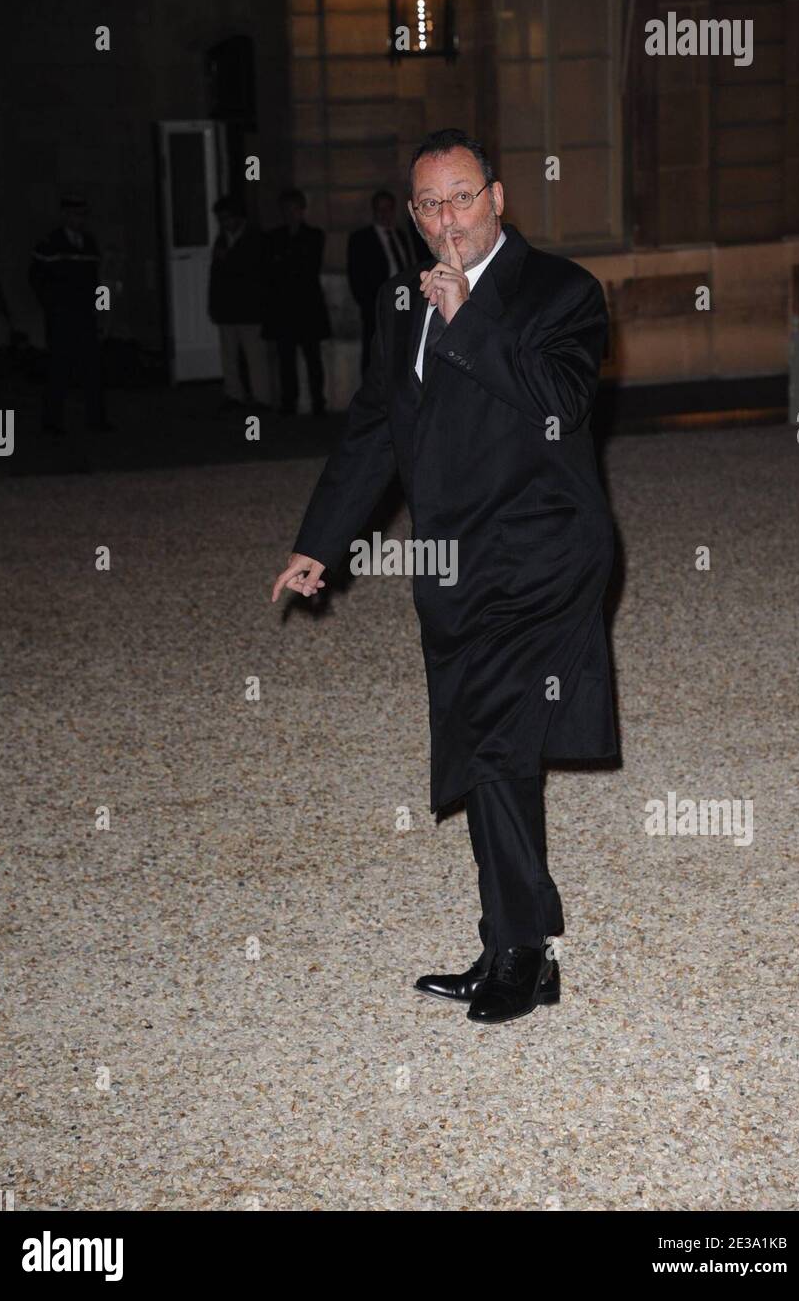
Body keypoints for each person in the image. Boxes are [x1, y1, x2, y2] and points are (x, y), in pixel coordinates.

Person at [271, 128, 617, 1026]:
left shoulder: (559, 291)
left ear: (497, 198)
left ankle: (517, 951)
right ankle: (522, 941)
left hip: (541, 556)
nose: (445, 220)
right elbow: (375, 432)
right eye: (428, 205)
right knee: (482, 746)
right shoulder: (398, 301)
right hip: (451, 563)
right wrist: (322, 542)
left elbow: (561, 400)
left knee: (496, 742)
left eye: (461, 198)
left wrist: (470, 317)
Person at [29, 196, 110, 434]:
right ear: (65, 215)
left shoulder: (89, 243)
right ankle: (52, 421)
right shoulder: (49, 243)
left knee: (92, 369)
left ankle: (96, 419)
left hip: (85, 315)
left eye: (84, 215)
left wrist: (101, 310)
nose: (80, 220)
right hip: (61, 315)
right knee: (58, 367)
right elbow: (36, 278)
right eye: (76, 214)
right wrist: (51, 305)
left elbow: (99, 281)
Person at [265, 188, 330, 417]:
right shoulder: (275, 237)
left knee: (313, 357)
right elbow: (272, 270)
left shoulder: (314, 235)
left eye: (294, 210)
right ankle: (288, 403)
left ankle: (318, 402)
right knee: (286, 359)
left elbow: (307, 267)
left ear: (302, 211)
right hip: (284, 307)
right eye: (286, 210)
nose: (290, 215)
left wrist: (285, 262)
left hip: (307, 306)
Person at [347, 190, 427, 373]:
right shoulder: (362, 238)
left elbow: (408, 267)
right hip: (377, 303)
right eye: (380, 209)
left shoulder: (400, 235)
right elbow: (356, 276)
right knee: (374, 352)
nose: (384, 213)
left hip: (403, 300)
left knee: (401, 349)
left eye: (388, 209)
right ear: (374, 211)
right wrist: (369, 305)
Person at [208, 195, 272, 410]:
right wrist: (213, 304)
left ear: (238, 217)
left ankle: (261, 396)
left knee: (255, 355)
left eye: (226, 218)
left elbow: (255, 272)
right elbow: (216, 276)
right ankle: (234, 394)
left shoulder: (255, 238)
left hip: (249, 307)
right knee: (229, 354)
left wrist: (229, 260)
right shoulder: (222, 240)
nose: (224, 223)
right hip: (227, 307)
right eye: (221, 219)